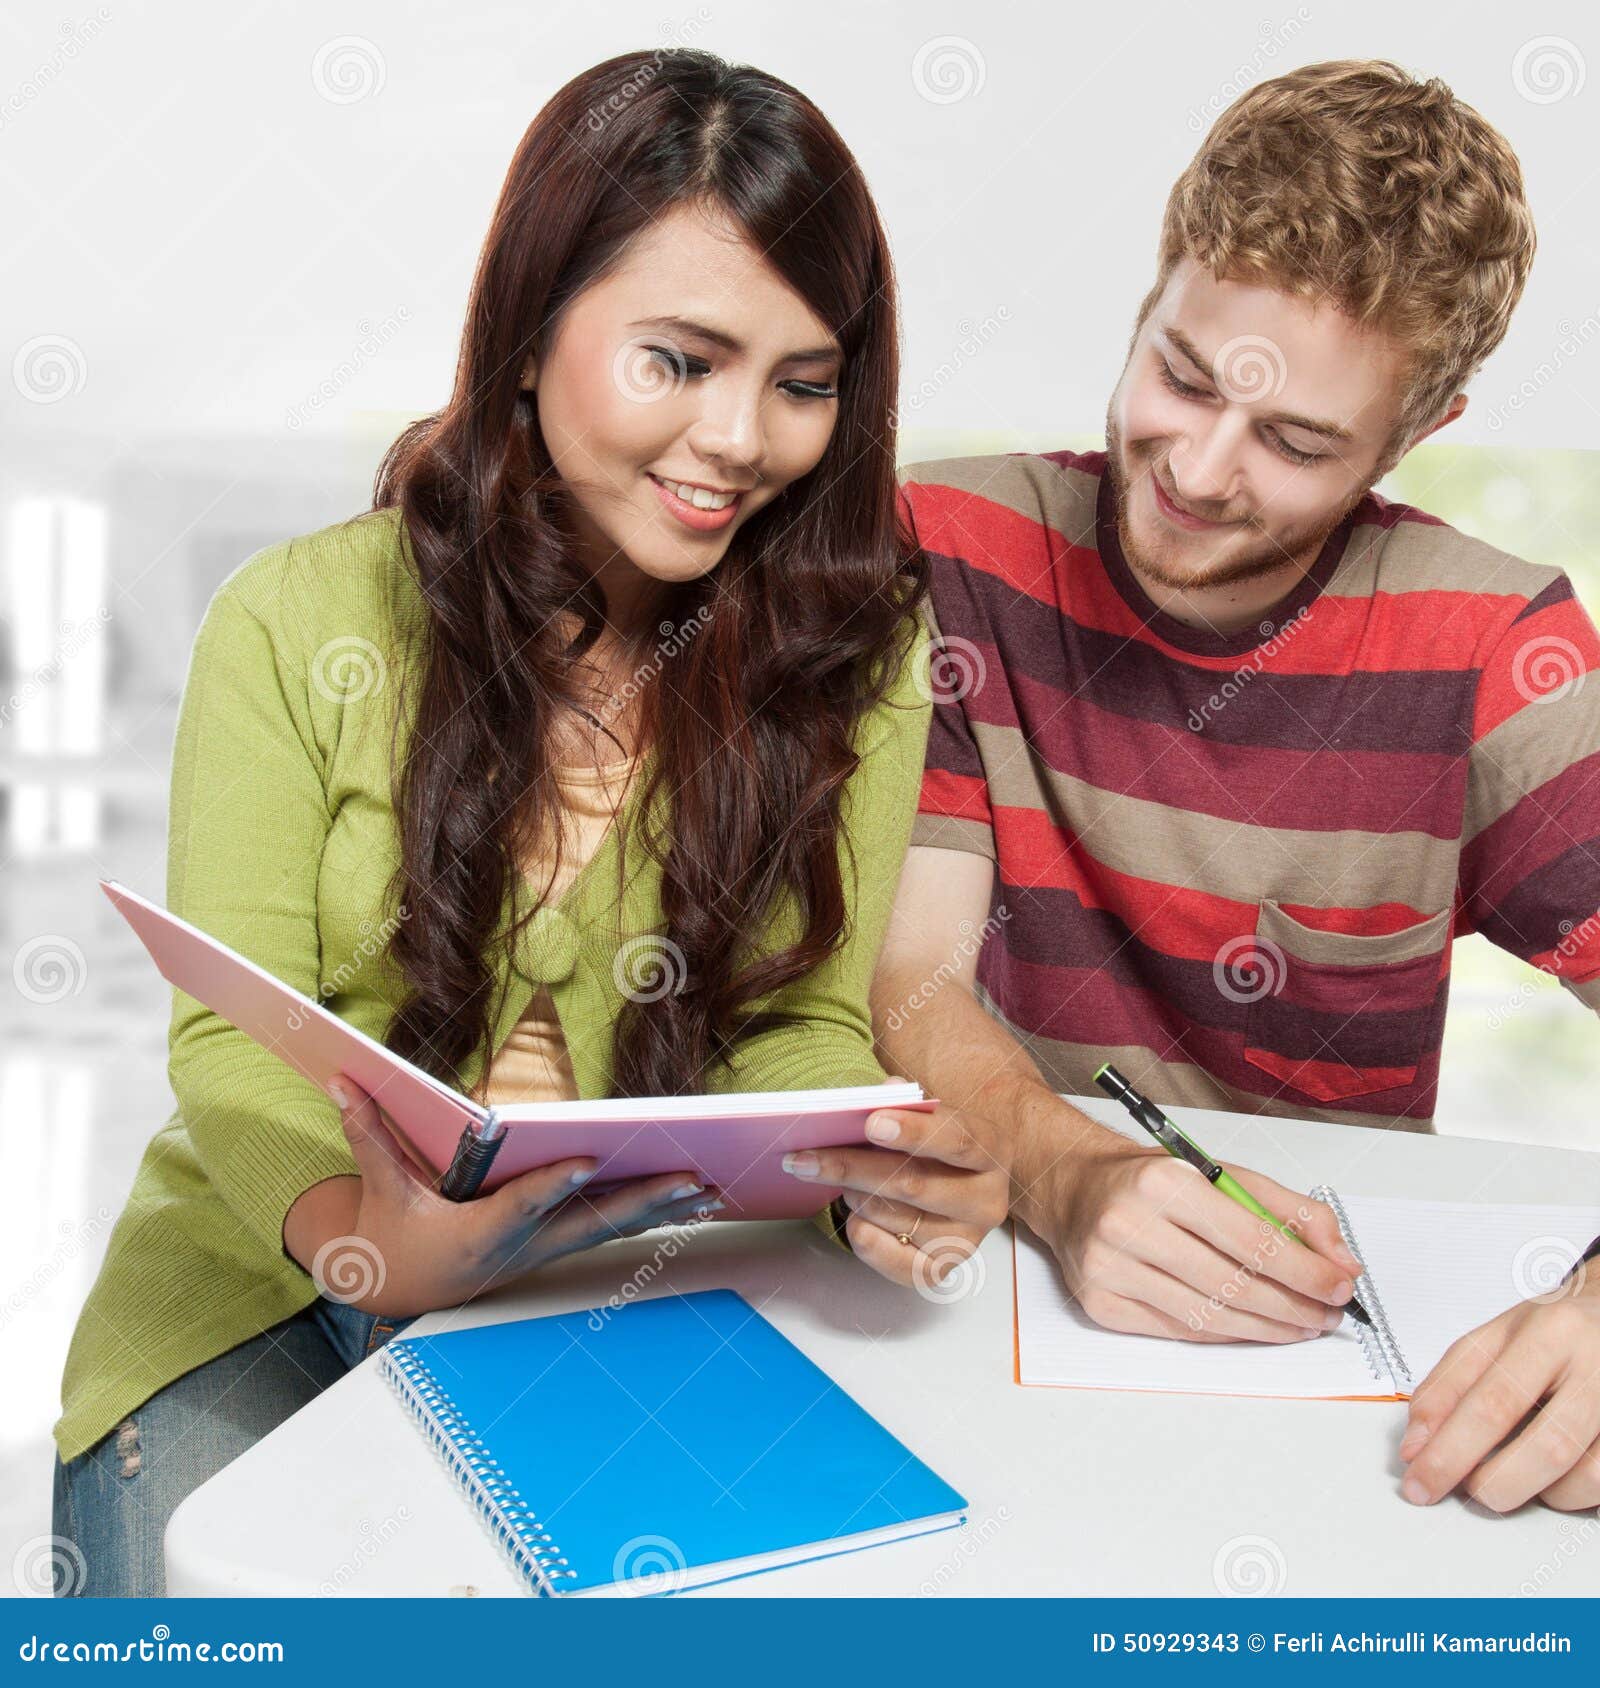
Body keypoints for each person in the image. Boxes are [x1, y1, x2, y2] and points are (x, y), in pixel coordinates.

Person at [51, 47, 1007, 1598]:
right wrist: (371, 1246)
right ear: (529, 329)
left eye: (803, 381)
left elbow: (799, 1022)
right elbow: (230, 1049)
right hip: (270, 1287)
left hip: (623, 1302)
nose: (740, 441)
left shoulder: (858, 651)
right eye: (679, 360)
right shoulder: (297, 623)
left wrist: (878, 1165)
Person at [871, 59, 1600, 1513]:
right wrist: (1060, 1170)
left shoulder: (1494, 650)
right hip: (942, 1327)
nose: (1196, 471)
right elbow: (908, 981)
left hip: (1314, 1399)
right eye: (1182, 376)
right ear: (1154, 290)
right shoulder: (948, 552)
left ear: (1421, 431)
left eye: (1294, 440)